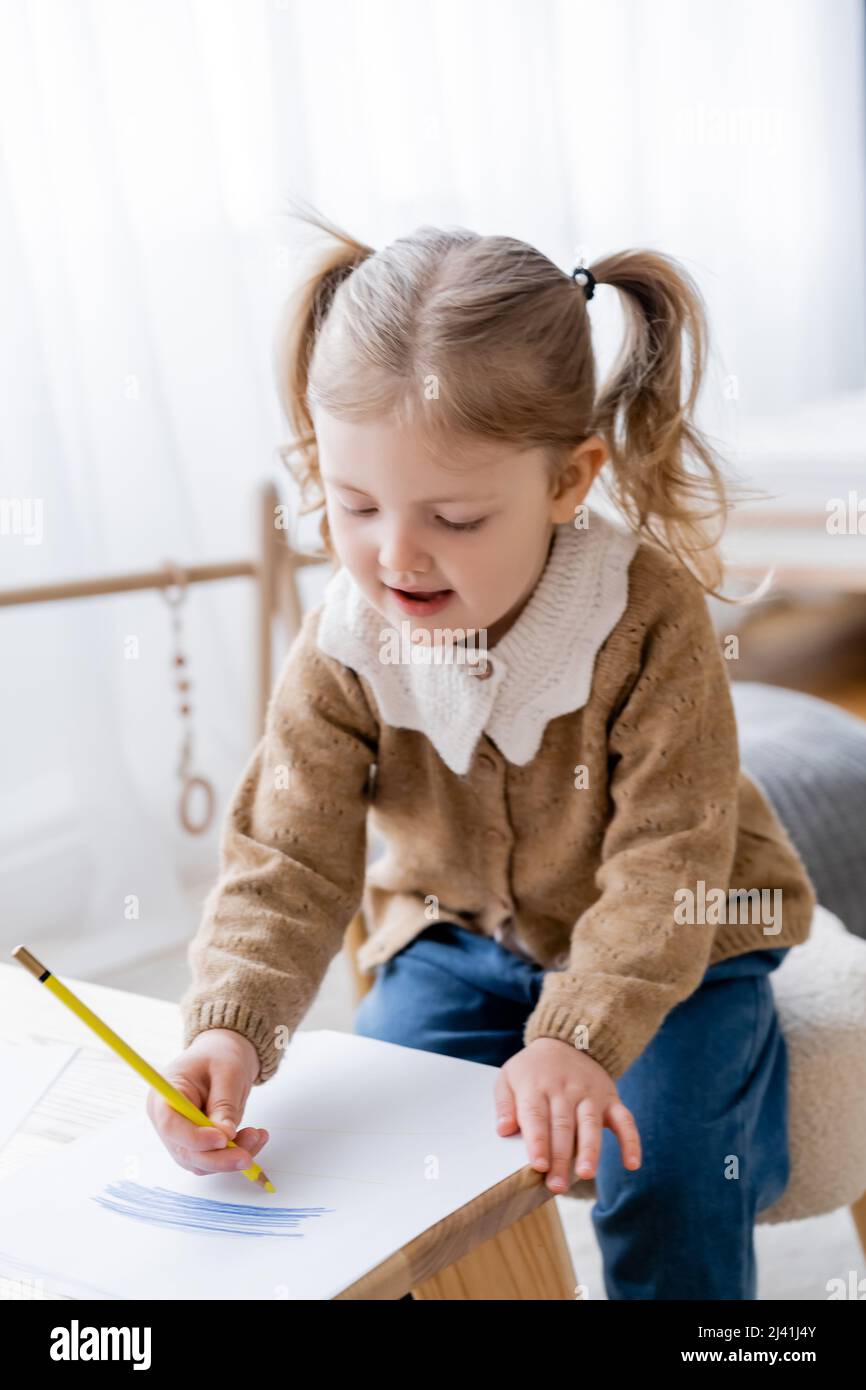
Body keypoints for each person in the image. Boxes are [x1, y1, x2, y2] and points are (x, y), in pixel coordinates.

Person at [147, 213, 817, 1300]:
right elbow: (288, 858)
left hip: (683, 945)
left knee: (668, 1161)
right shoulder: (344, 640)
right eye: (355, 505)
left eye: (454, 517)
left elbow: (668, 862)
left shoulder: (641, 615)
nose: (395, 554)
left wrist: (584, 1035)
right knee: (377, 1167)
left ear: (568, 481)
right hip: (457, 940)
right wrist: (231, 1023)